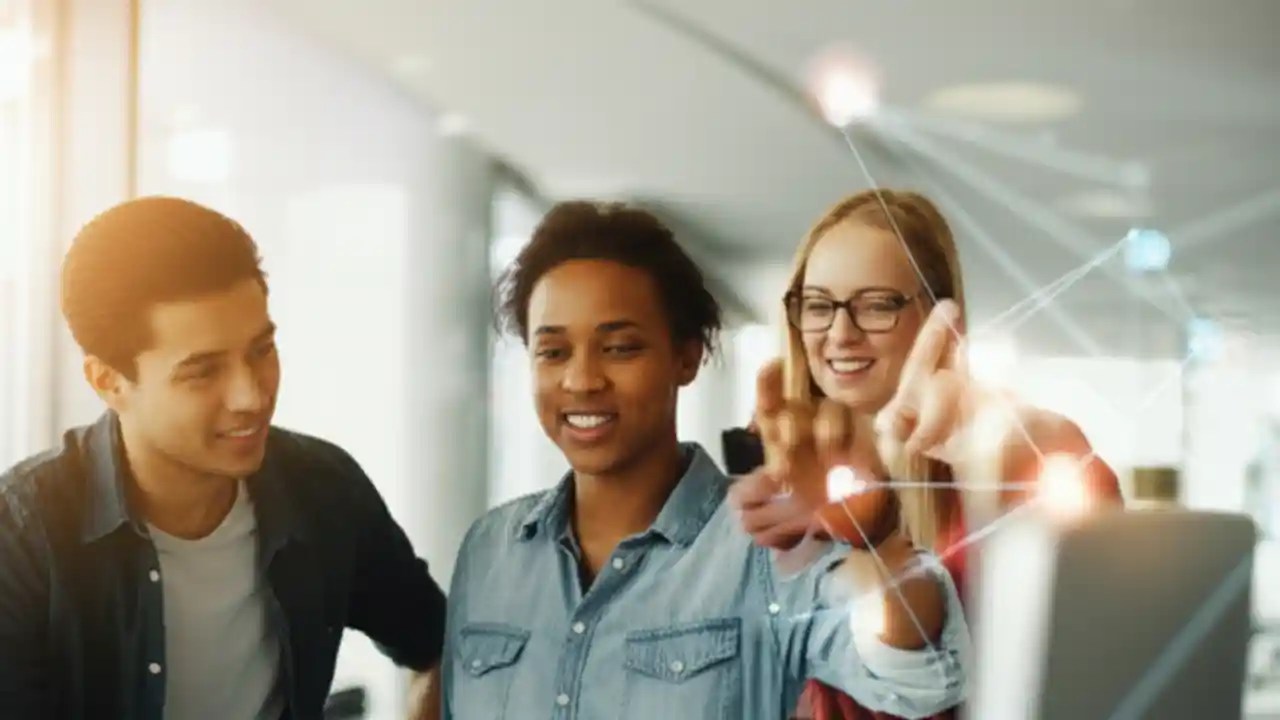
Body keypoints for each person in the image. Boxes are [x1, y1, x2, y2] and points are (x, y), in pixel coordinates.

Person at [441, 200, 969, 720]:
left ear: (687, 356)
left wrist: (872, 539)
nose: (582, 380)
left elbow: (915, 676)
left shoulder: (763, 546)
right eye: (553, 352)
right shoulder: (489, 551)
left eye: (620, 348)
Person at [0, 197, 446, 720]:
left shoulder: (324, 489)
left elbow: (441, 649)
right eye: (202, 372)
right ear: (109, 381)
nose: (251, 397)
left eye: (261, 350)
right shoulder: (24, 532)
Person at [733, 189, 1124, 720]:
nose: (840, 335)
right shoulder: (777, 473)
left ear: (938, 317)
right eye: (820, 306)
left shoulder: (1000, 462)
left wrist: (1010, 441)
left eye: (875, 306)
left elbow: (1103, 616)